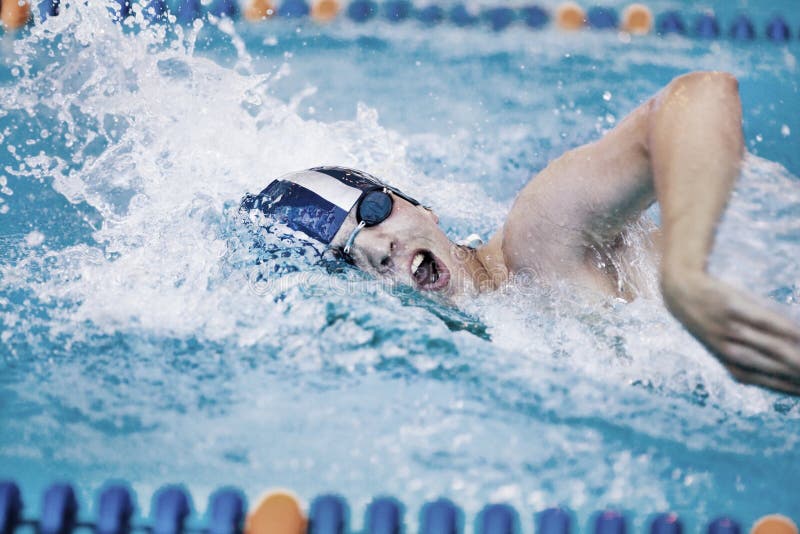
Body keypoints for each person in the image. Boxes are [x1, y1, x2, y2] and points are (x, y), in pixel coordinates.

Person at [242, 71, 800, 396]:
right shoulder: (491, 351)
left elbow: (700, 93)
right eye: (347, 259)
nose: (377, 249)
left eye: (372, 209)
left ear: (421, 206)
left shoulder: (539, 236)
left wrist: (685, 274)